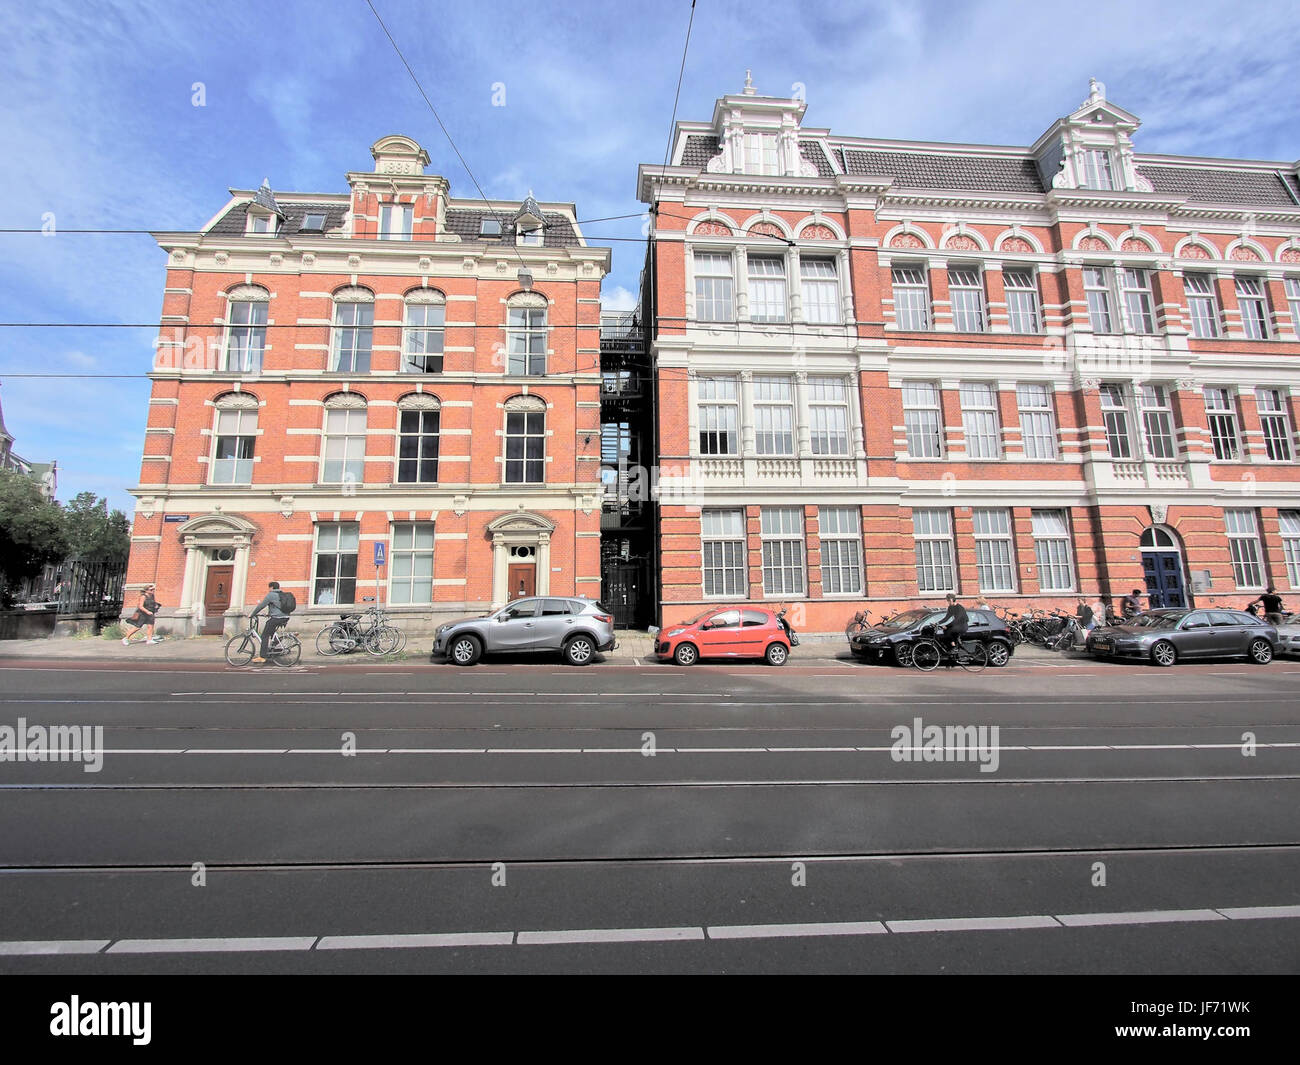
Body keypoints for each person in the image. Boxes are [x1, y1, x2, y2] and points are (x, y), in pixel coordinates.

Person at [249, 581, 290, 664]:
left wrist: (252, 614)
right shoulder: (282, 594)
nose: (268, 590)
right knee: (271, 631)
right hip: (285, 617)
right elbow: (277, 606)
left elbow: (261, 605)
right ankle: (275, 648)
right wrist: (269, 614)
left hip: (277, 618)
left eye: (269, 588)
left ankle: (262, 656)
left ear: (271, 587)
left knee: (264, 635)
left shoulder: (271, 595)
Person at [934, 593, 969, 664]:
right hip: (957, 625)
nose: (948, 602)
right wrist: (937, 623)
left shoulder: (960, 608)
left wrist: (947, 626)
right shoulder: (950, 608)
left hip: (963, 625)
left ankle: (954, 648)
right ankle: (953, 648)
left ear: (952, 600)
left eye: (948, 601)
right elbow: (946, 618)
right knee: (946, 631)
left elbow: (957, 620)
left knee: (949, 630)